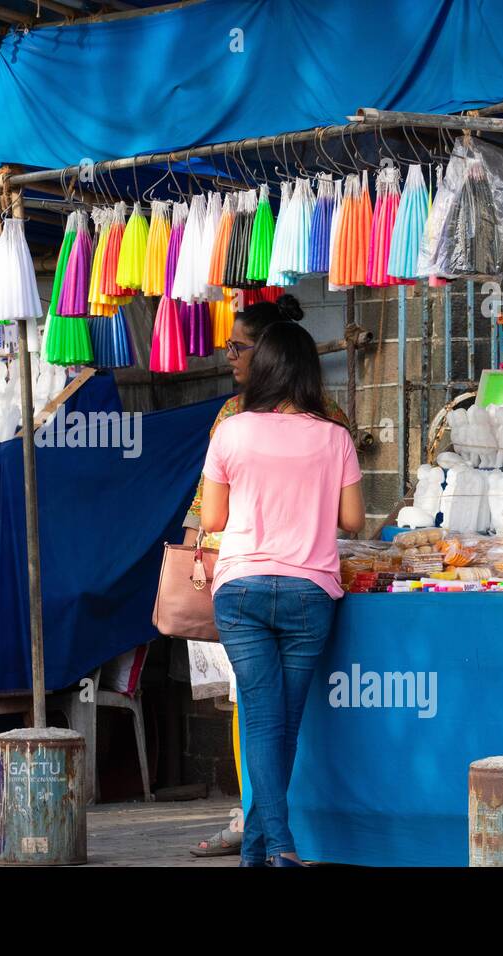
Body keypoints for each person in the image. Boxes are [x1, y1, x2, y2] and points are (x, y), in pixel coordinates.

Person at [186, 294, 349, 859]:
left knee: (262, 721)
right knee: (284, 724)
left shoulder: (232, 427)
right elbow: (353, 520)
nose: (231, 356)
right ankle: (277, 843)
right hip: (311, 589)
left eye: (237, 348)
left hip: (241, 588)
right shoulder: (335, 432)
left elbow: (210, 519)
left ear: (265, 362)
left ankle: (263, 846)